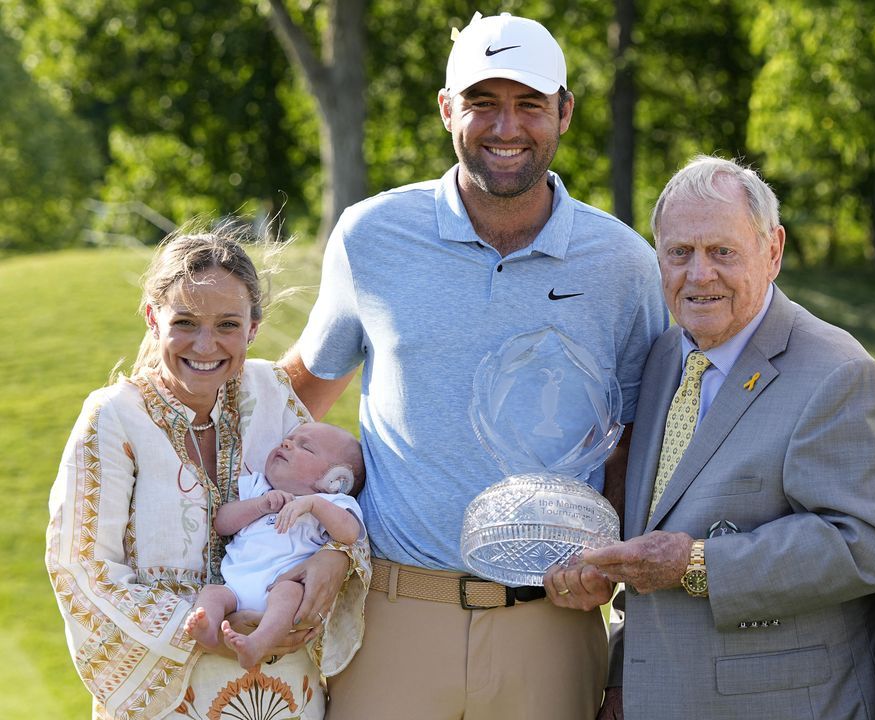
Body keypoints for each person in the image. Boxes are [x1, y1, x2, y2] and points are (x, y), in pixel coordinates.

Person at [280, 11, 667, 720]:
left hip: (550, 625)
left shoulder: (624, 265)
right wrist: (169, 409)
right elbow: (300, 388)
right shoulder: (373, 236)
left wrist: (618, 592)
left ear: (566, 113)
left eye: (529, 104)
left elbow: (640, 445)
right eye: (482, 102)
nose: (505, 127)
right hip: (392, 621)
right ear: (446, 109)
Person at [547, 156, 875, 719]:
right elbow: (652, 541)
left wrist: (697, 563)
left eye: (722, 252)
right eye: (679, 253)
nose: (699, 274)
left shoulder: (838, 373)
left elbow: (864, 545)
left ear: (773, 251)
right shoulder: (666, 357)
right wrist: (622, 680)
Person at [47, 227, 369, 719]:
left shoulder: (270, 392)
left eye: (226, 324)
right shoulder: (114, 417)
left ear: (254, 327)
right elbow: (83, 570)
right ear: (154, 318)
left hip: (287, 692)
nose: (205, 344)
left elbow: (341, 505)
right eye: (186, 322)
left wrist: (337, 560)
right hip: (170, 694)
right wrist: (203, 630)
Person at [185, 422, 366, 670]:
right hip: (235, 587)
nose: (287, 443)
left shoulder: (331, 502)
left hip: (279, 586)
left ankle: (256, 645)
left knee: (288, 595)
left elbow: (349, 533)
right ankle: (207, 628)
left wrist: (313, 505)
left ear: (336, 479)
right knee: (212, 595)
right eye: (289, 438)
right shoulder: (259, 487)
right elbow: (222, 524)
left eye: (306, 447)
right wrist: (260, 505)